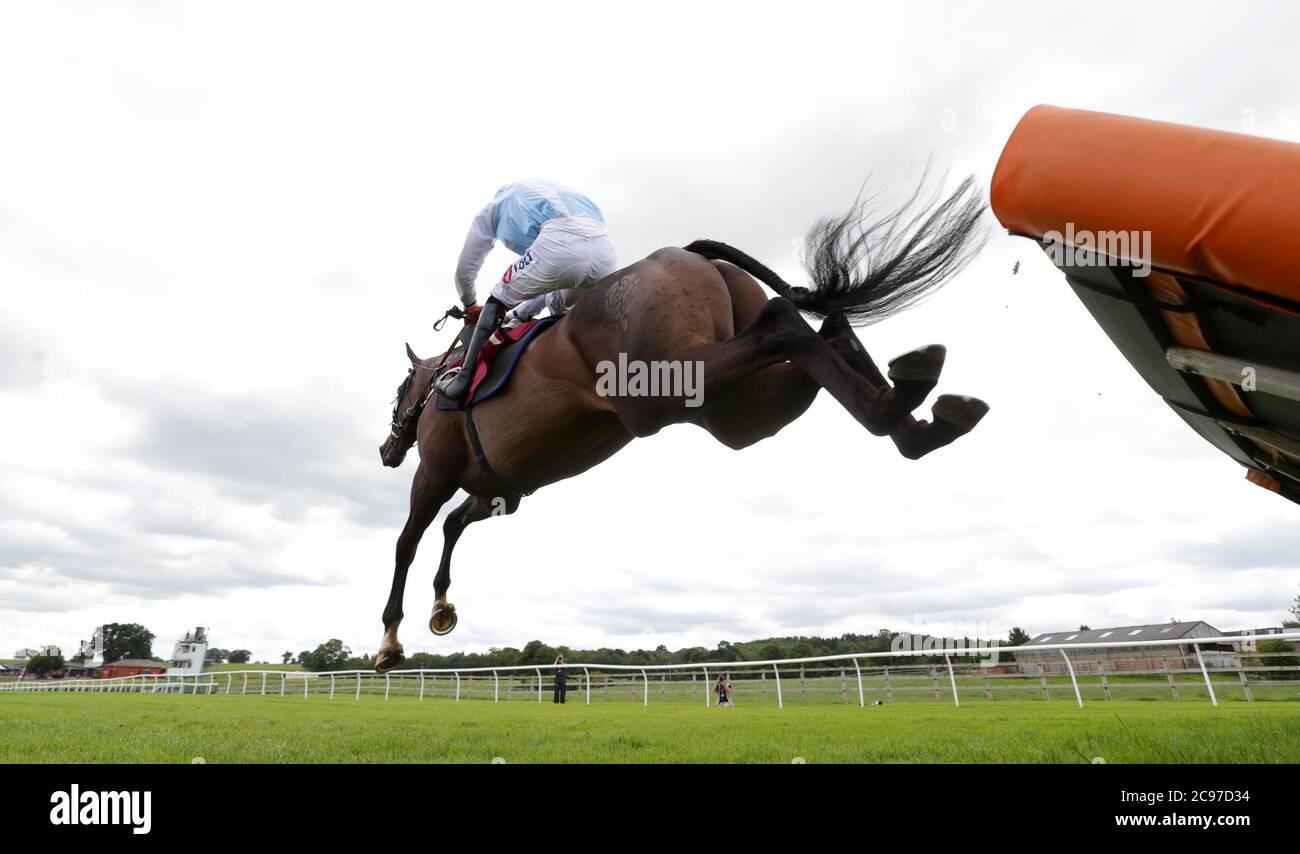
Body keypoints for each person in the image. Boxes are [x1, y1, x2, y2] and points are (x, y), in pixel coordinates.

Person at [436, 180, 617, 402]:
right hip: (605, 252)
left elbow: (465, 268)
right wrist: (515, 314)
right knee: (558, 303)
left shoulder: (494, 207)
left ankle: (462, 381)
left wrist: (470, 304)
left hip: (558, 242)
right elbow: (549, 282)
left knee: (498, 294)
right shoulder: (565, 194)